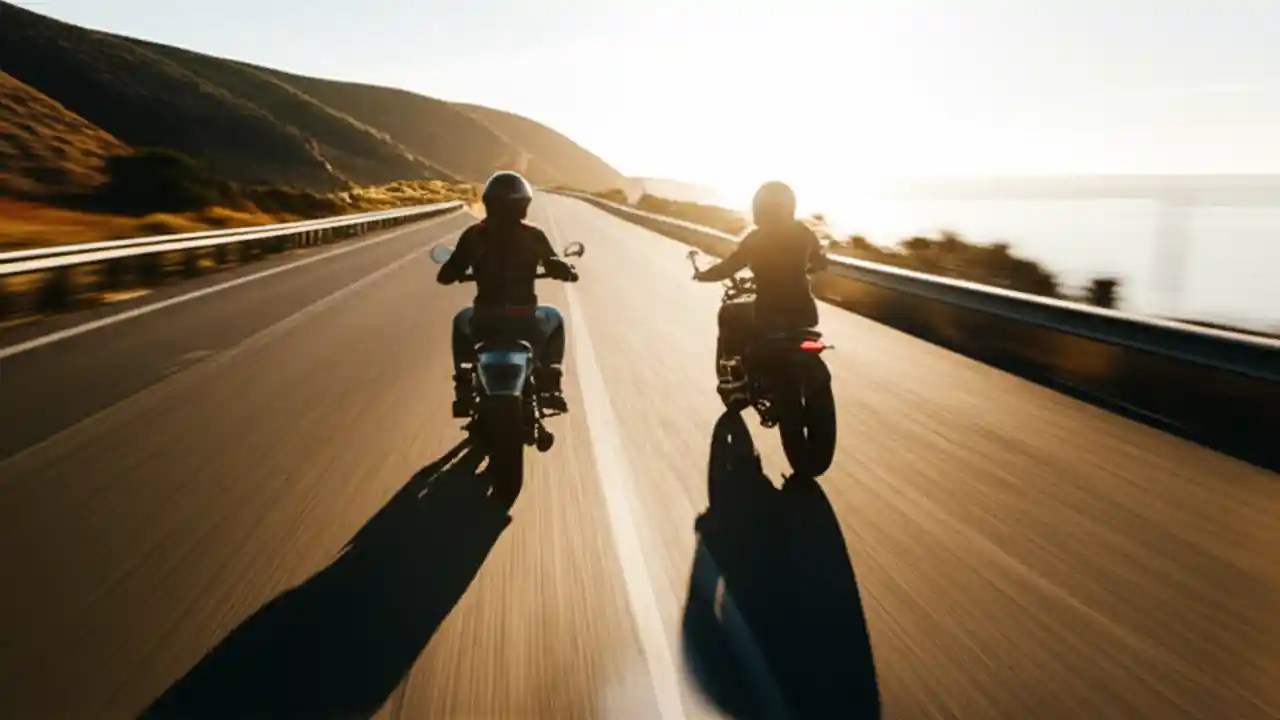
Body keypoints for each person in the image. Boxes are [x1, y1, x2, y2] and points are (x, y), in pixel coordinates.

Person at [437, 171, 578, 417]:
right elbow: (554, 262)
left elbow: (446, 275)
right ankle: (550, 386)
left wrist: (457, 270)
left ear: (489, 203)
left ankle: (463, 387)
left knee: (460, 321)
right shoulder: (533, 235)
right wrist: (565, 270)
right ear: (524, 204)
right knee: (555, 318)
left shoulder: (474, 235)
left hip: (485, 318)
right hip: (524, 318)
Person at [693, 180, 828, 404]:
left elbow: (728, 267)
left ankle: (734, 380)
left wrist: (703, 275)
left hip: (770, 313)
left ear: (759, 208)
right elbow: (820, 262)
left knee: (728, 312)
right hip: (805, 314)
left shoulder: (756, 239)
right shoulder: (804, 233)